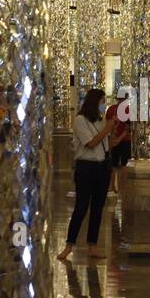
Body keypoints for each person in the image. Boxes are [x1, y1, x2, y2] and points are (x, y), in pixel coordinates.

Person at [57, 88, 117, 261]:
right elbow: (91, 143)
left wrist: (113, 134)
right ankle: (69, 244)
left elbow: (105, 144)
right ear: (94, 102)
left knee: (98, 208)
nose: (104, 105)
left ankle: (93, 245)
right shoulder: (79, 121)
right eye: (102, 102)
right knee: (81, 207)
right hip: (86, 168)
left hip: (101, 168)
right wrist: (107, 129)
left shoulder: (101, 121)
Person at [105, 93, 132, 192]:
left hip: (118, 139)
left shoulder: (111, 109)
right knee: (121, 166)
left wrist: (114, 139)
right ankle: (122, 187)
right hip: (124, 140)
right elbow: (128, 128)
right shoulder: (128, 109)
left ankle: (113, 187)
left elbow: (107, 126)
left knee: (114, 165)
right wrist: (117, 139)